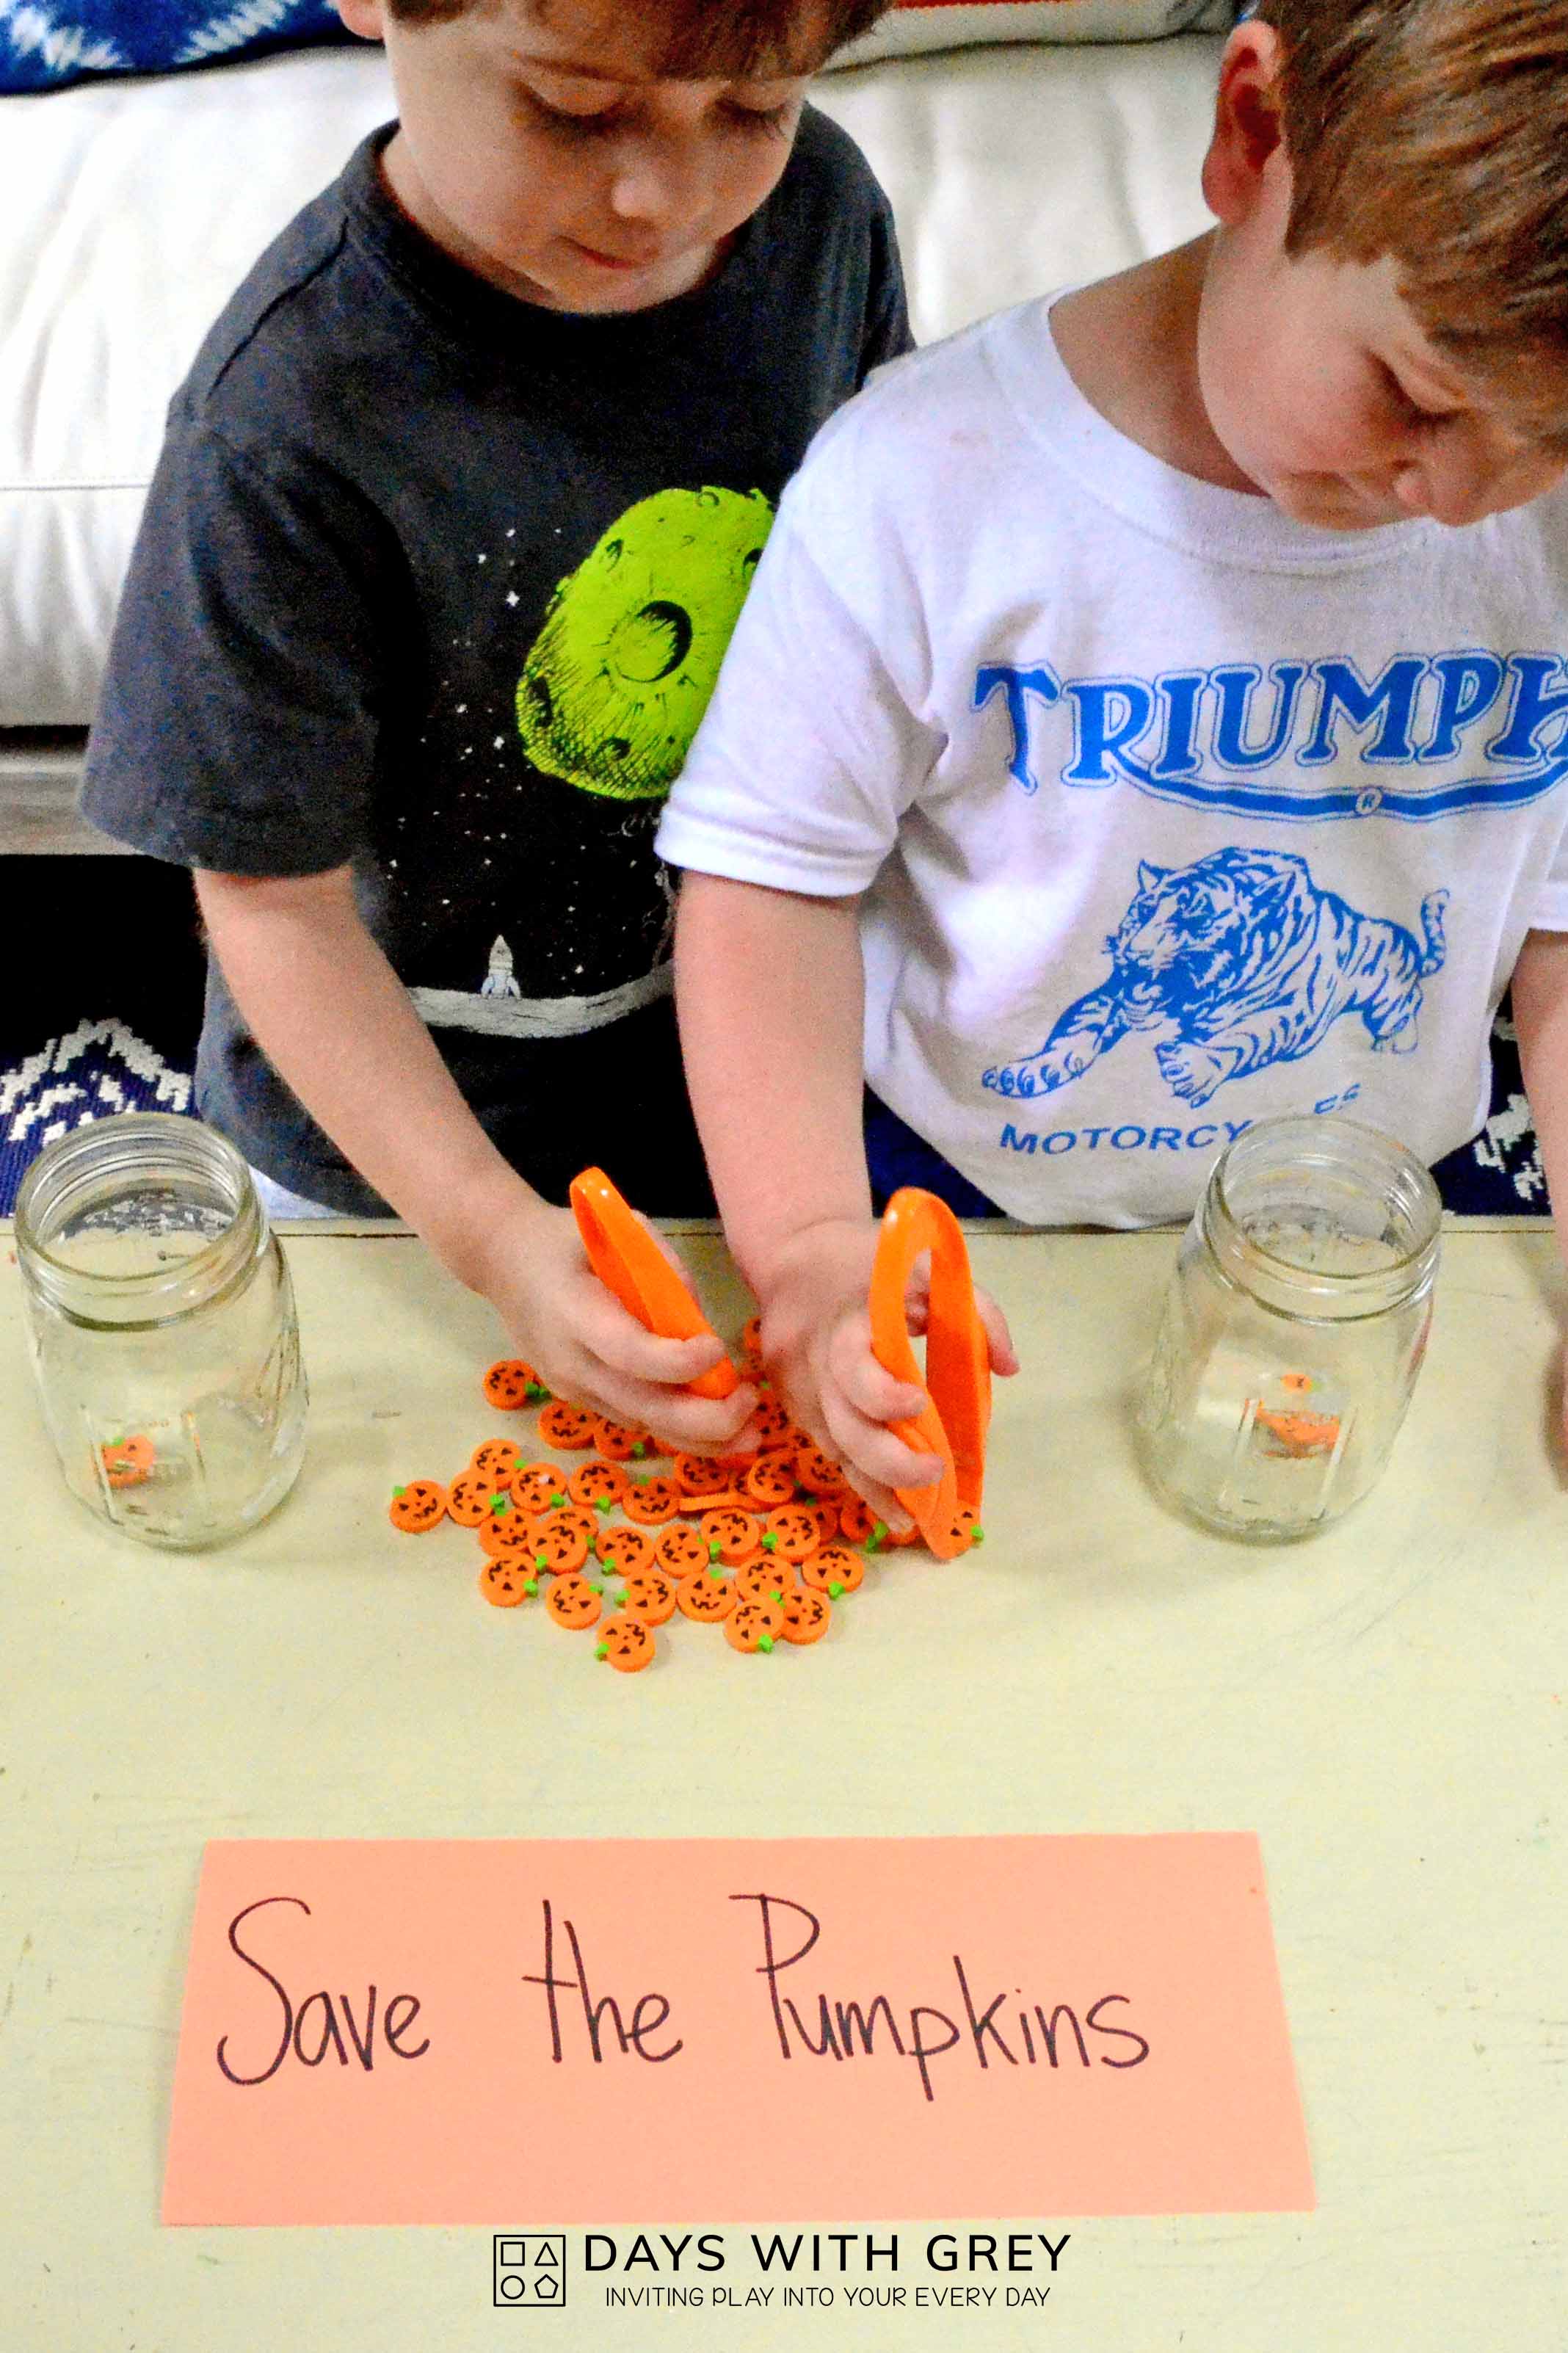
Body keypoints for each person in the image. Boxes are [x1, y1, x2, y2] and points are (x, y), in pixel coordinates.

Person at [658, 0, 1568, 1515]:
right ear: (1255, 134)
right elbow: (766, 885)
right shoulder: (923, 482)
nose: (1468, 497)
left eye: (1552, 442)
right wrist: (810, 1251)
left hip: (1372, 1212)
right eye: (1412, 397)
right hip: (961, 1201)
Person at [79, 0, 907, 1446]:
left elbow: (880, 589)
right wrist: (490, 1237)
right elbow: (270, 906)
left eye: (753, 108)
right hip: (383, 1171)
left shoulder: (825, 217)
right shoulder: (281, 427)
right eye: (574, 111)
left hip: (734, 1109)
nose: (666, 195)